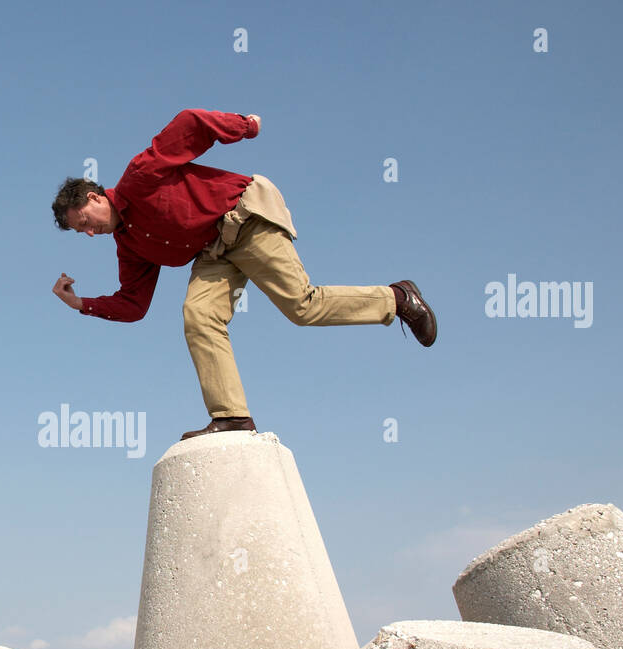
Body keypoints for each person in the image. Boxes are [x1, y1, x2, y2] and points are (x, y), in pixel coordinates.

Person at [51, 109, 437, 441]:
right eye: (80, 232)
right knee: (198, 315)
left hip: (244, 216)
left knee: (302, 307)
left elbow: (189, 125)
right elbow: (133, 303)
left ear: (96, 198)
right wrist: (81, 304)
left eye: (85, 221)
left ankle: (398, 298)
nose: (89, 233)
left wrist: (243, 126)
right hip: (213, 250)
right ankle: (232, 417)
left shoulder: (141, 175)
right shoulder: (130, 246)